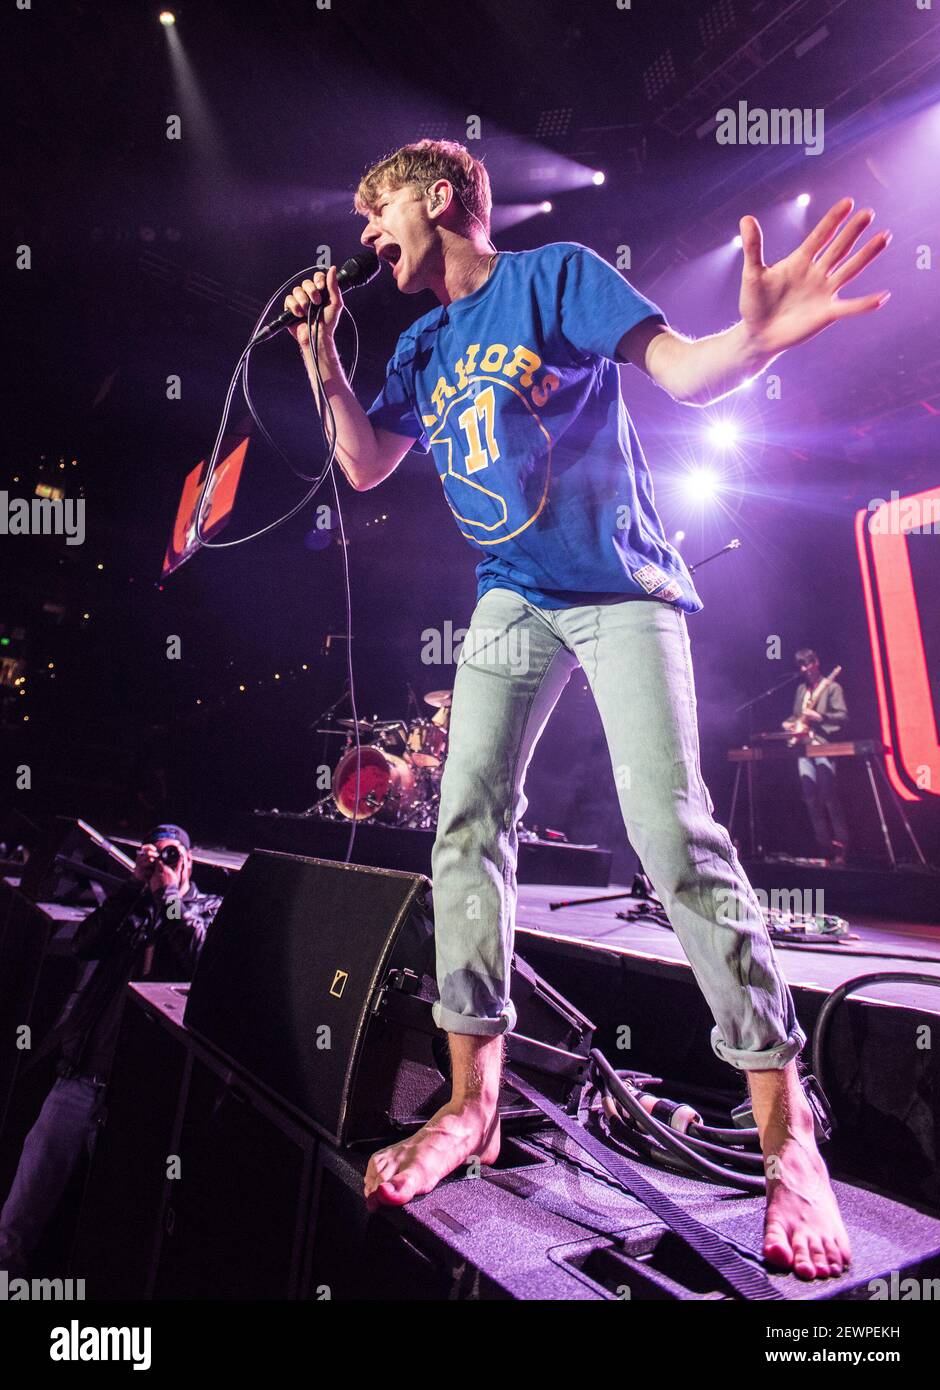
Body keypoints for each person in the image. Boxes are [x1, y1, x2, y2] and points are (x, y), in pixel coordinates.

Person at [286, 140, 890, 1279]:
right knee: (463, 820)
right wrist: (320, 353)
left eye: (376, 216)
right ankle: (473, 1104)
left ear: (433, 197)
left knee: (670, 835)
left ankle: (786, 1132)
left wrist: (751, 337)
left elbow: (679, 369)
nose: (367, 239)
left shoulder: (551, 277)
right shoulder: (420, 343)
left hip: (618, 586)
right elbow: (364, 465)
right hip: (511, 598)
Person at [0, 825, 220, 1276]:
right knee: (21, 1209)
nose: (164, 862)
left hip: (139, 1094)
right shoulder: (131, 903)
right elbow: (83, 944)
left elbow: (198, 959)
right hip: (81, 1077)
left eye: (173, 855)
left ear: (190, 861)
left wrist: (170, 897)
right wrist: (135, 887)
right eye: (156, 853)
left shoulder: (206, 909)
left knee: (118, 1220)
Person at [784, 649, 850, 863]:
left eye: (807, 664)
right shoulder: (801, 690)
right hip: (804, 748)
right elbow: (796, 716)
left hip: (824, 746)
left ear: (816, 662)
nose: (805, 669)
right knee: (810, 799)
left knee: (829, 797)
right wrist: (790, 724)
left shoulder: (832, 687)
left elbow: (843, 716)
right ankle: (824, 847)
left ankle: (843, 847)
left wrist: (819, 717)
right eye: (801, 666)